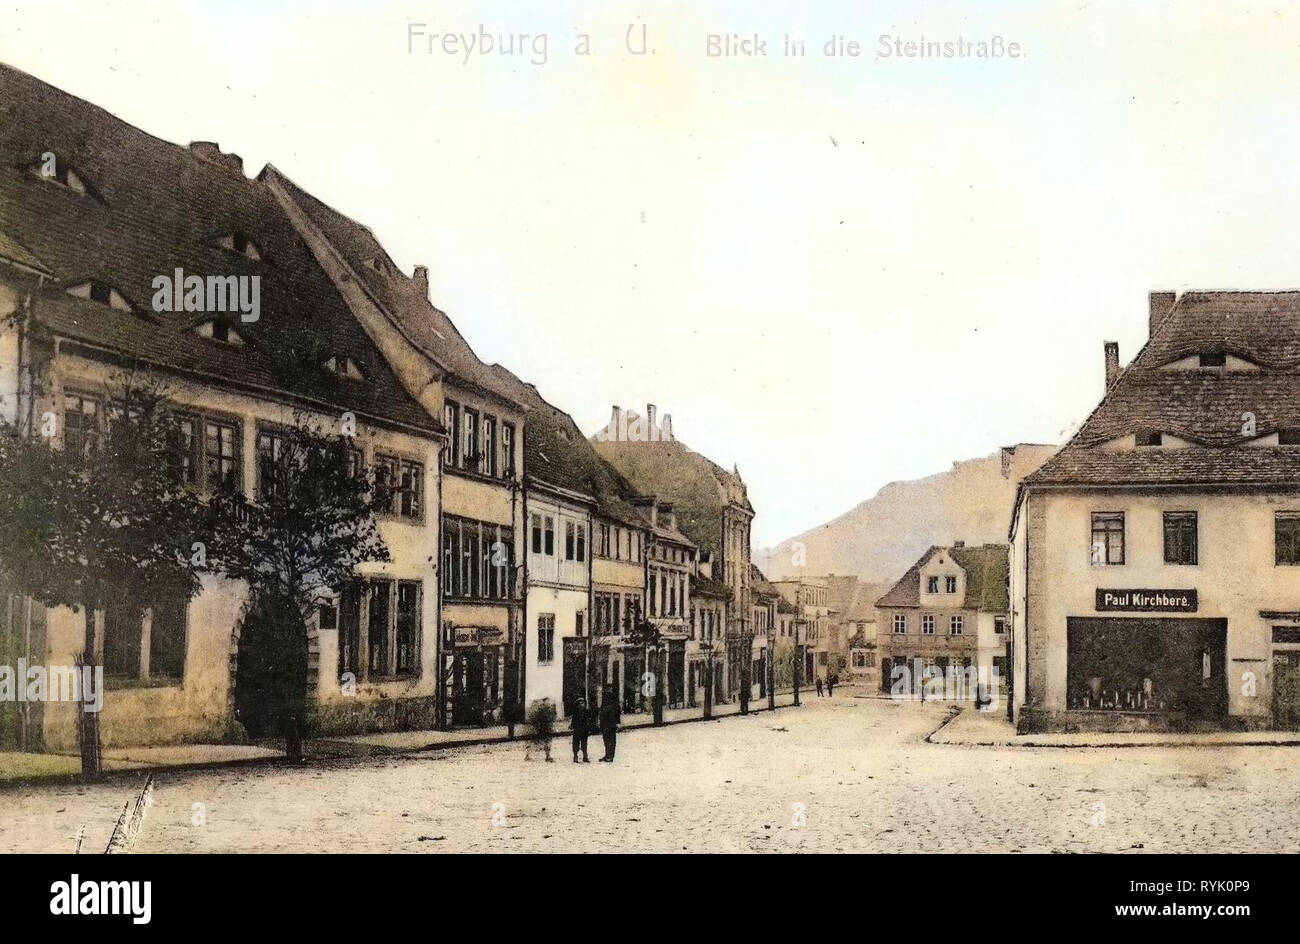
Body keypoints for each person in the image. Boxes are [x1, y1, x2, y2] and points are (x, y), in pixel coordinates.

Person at [598, 685, 620, 762]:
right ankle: (607, 755)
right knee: (606, 740)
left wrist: (617, 722)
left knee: (611, 740)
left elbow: (617, 712)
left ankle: (610, 756)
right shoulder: (605, 702)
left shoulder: (613, 703)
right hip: (605, 723)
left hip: (611, 723)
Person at [571, 696, 591, 763]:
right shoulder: (575, 713)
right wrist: (572, 725)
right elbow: (573, 721)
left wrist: (589, 728)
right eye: (580, 703)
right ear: (577, 705)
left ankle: (585, 756)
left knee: (584, 744)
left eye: (583, 703)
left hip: (584, 730)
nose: (582, 704)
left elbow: (588, 720)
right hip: (577, 730)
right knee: (575, 744)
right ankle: (575, 756)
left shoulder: (586, 711)